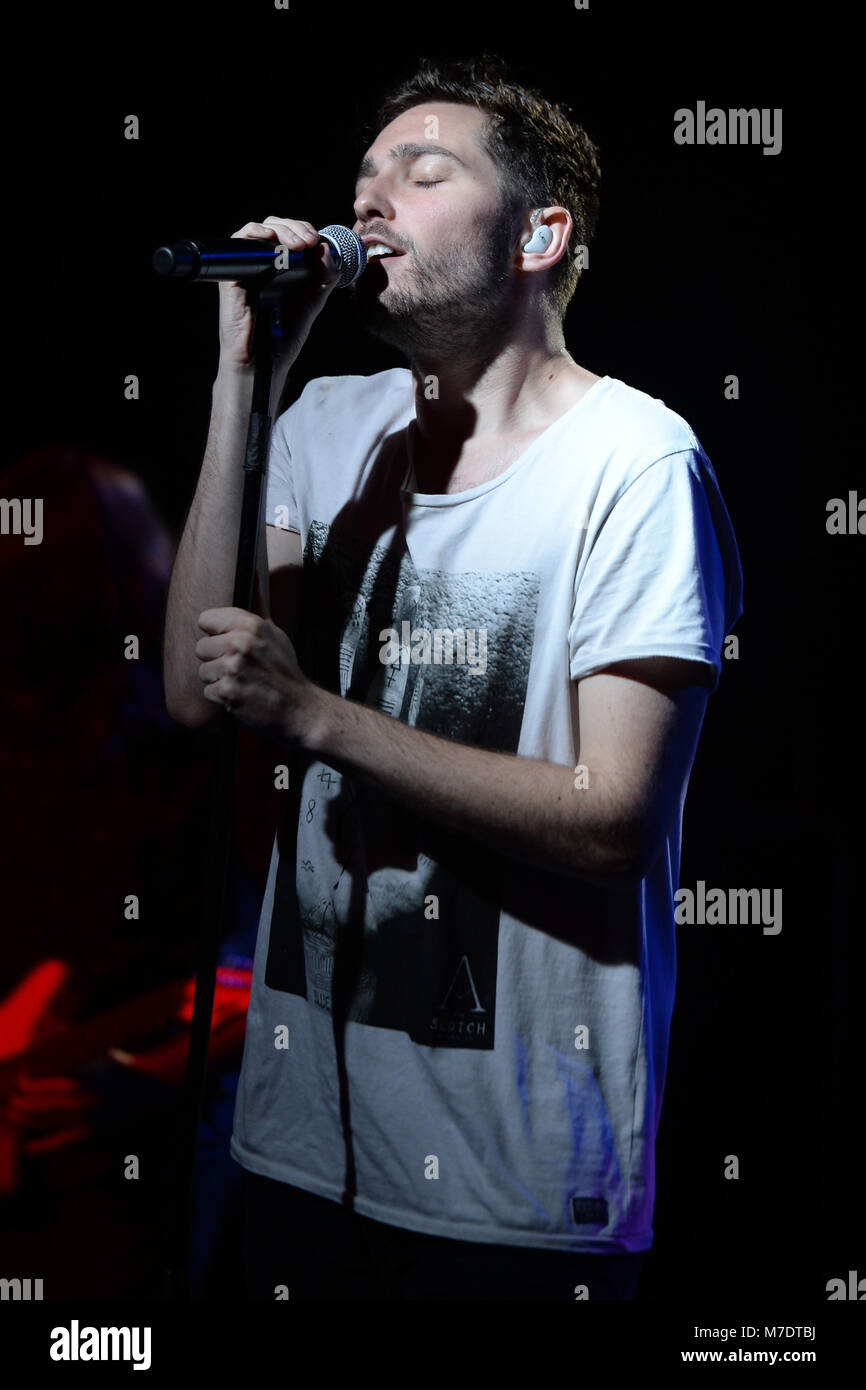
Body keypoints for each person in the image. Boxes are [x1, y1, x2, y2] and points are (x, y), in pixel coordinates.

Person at [163, 55, 743, 1301]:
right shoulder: (324, 424)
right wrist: (242, 384)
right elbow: (196, 693)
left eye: (422, 174)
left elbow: (611, 819)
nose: (370, 204)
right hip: (298, 1148)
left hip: (514, 1197)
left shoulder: (631, 462)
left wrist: (317, 715)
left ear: (539, 233)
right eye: (362, 178)